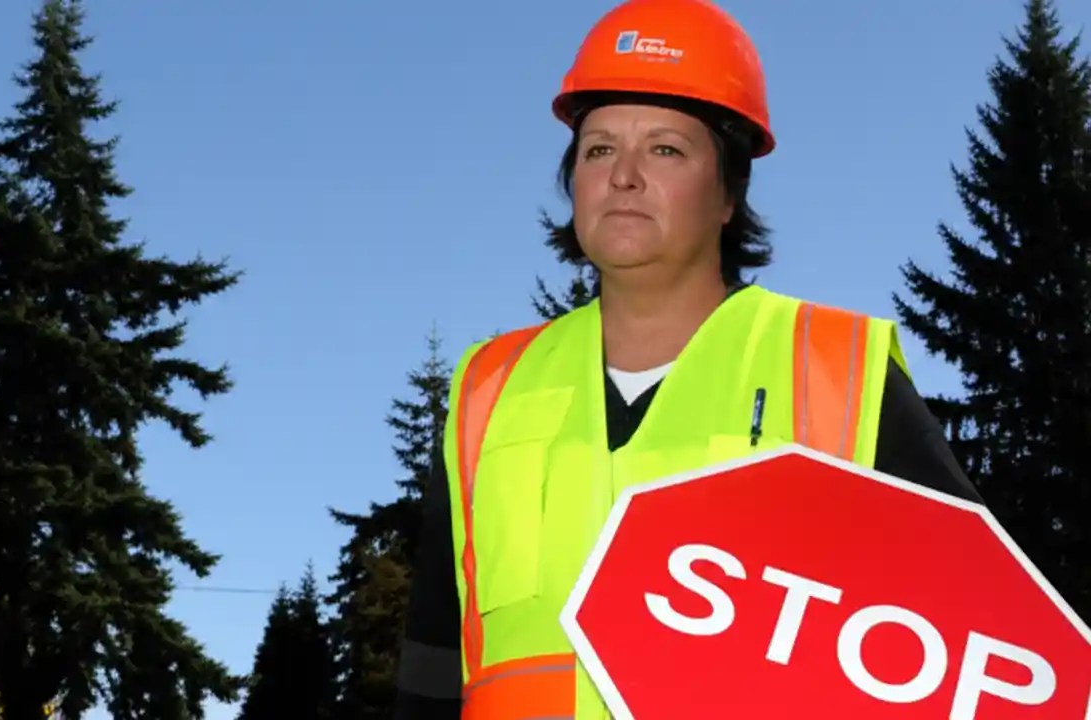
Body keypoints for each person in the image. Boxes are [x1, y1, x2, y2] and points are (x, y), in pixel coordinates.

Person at [393, 0, 985, 717]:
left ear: (730, 193)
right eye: (599, 148)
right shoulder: (490, 386)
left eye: (666, 149)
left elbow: (979, 642)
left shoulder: (838, 371)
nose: (624, 176)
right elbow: (431, 662)